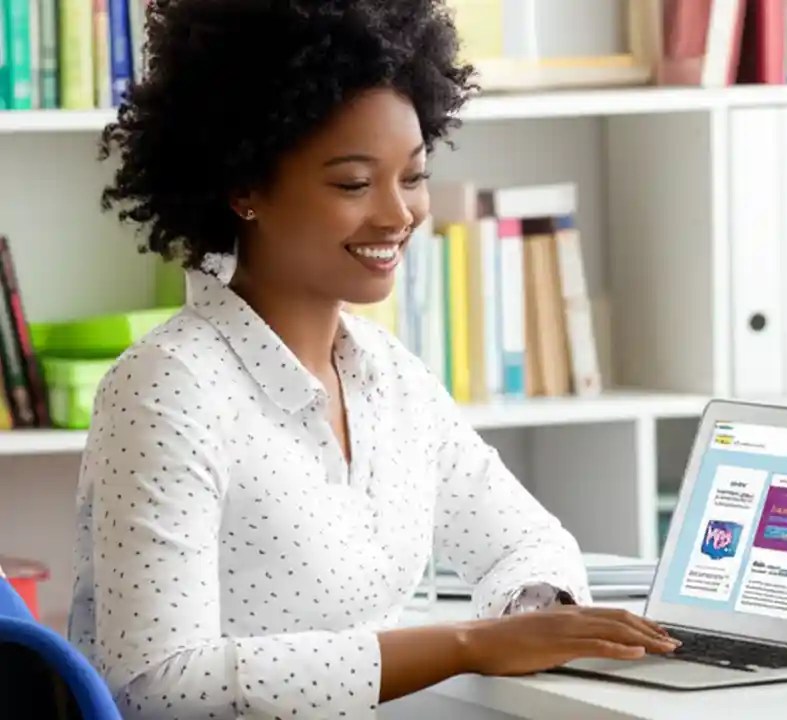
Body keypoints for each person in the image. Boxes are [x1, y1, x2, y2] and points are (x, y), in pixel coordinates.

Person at [67, 0, 678, 717]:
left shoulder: (388, 376)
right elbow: (159, 686)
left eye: (413, 176)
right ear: (244, 187)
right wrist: (466, 645)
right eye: (354, 184)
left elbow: (526, 540)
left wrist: (536, 614)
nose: (399, 214)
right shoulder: (167, 391)